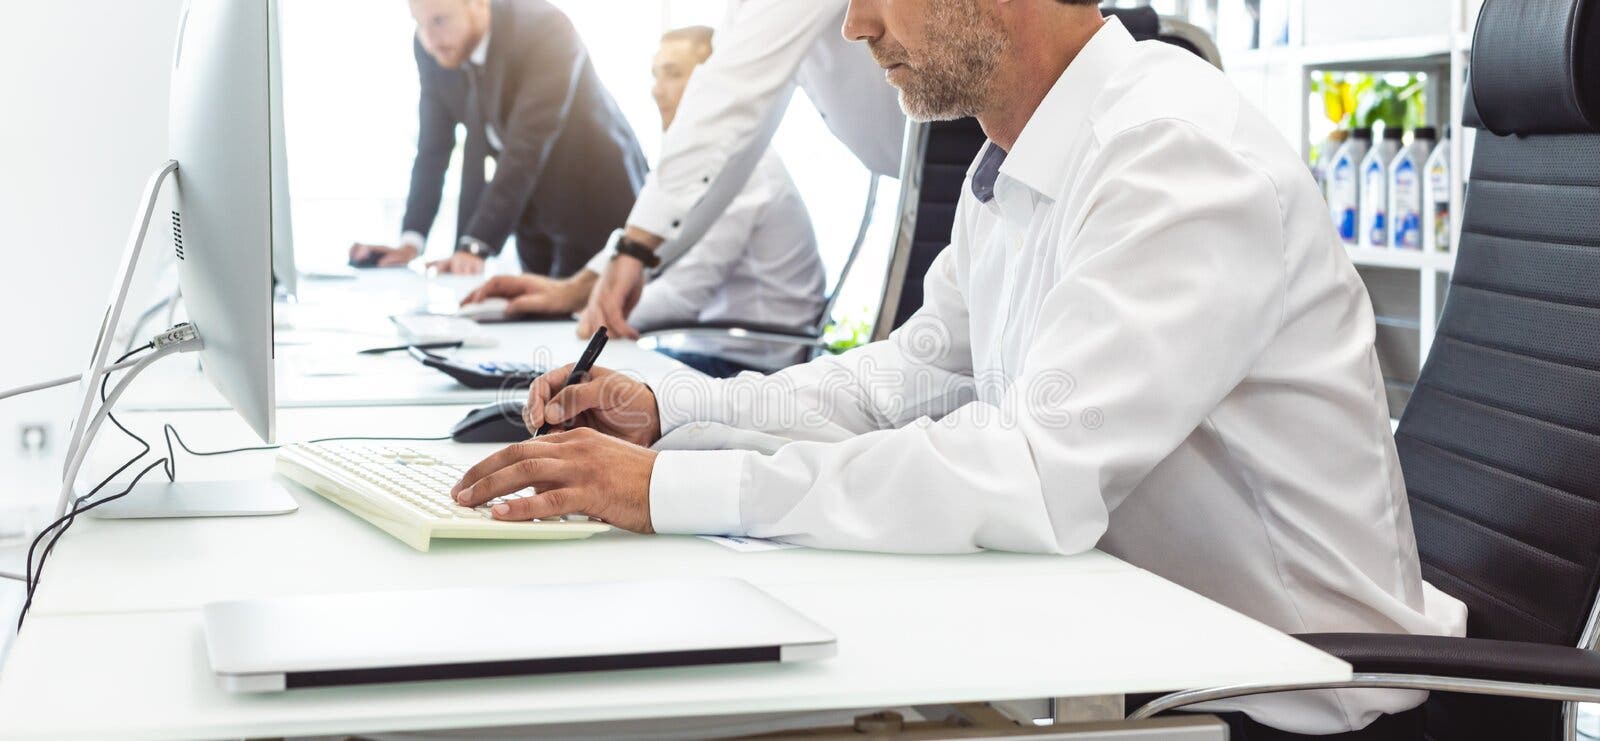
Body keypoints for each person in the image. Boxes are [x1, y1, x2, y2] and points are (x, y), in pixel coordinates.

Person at [452, 0, 1467, 737]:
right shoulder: (1017, 161)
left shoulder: (1174, 155)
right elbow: (894, 386)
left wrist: (670, 492)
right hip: (1136, 648)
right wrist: (669, 416)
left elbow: (1029, 474)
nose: (854, 26)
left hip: (1290, 694)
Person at [459, 26, 825, 378]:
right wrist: (571, 296)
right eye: (655, 75)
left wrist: (576, 317)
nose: (657, 91)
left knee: (579, 383)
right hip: (707, 346)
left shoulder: (746, 173)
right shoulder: (692, 171)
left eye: (673, 74)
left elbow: (681, 297)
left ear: (713, 87)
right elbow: (647, 253)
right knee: (565, 377)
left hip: (748, 364)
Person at [574, 0, 905, 340]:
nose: (657, 91)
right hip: (719, 343)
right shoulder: (712, 171)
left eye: (674, 74)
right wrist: (613, 267)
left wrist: (604, 285)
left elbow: (728, 95)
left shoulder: (735, 167)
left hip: (748, 350)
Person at [348, 0, 647, 278]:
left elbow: (526, 146)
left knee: (583, 312)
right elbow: (432, 148)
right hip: (529, 208)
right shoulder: (431, 46)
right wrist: (411, 241)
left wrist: (475, 244)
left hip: (595, 201)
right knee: (531, 309)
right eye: (419, 23)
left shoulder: (546, 29)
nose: (430, 39)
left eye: (439, 20)